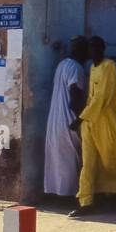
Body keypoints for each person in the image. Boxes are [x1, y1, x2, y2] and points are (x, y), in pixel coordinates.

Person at [71, 36, 116, 214]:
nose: (92, 52)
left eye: (94, 48)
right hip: (90, 122)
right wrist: (84, 119)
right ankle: (85, 201)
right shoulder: (92, 68)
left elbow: (102, 97)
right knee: (88, 162)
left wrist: (80, 118)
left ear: (101, 49)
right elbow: (92, 97)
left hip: (108, 122)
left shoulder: (109, 66)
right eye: (90, 48)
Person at [43, 36, 89, 200]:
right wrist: (81, 118)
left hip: (56, 119)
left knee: (60, 161)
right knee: (71, 161)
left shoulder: (62, 64)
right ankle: (71, 197)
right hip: (69, 119)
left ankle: (60, 196)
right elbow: (75, 96)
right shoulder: (76, 68)